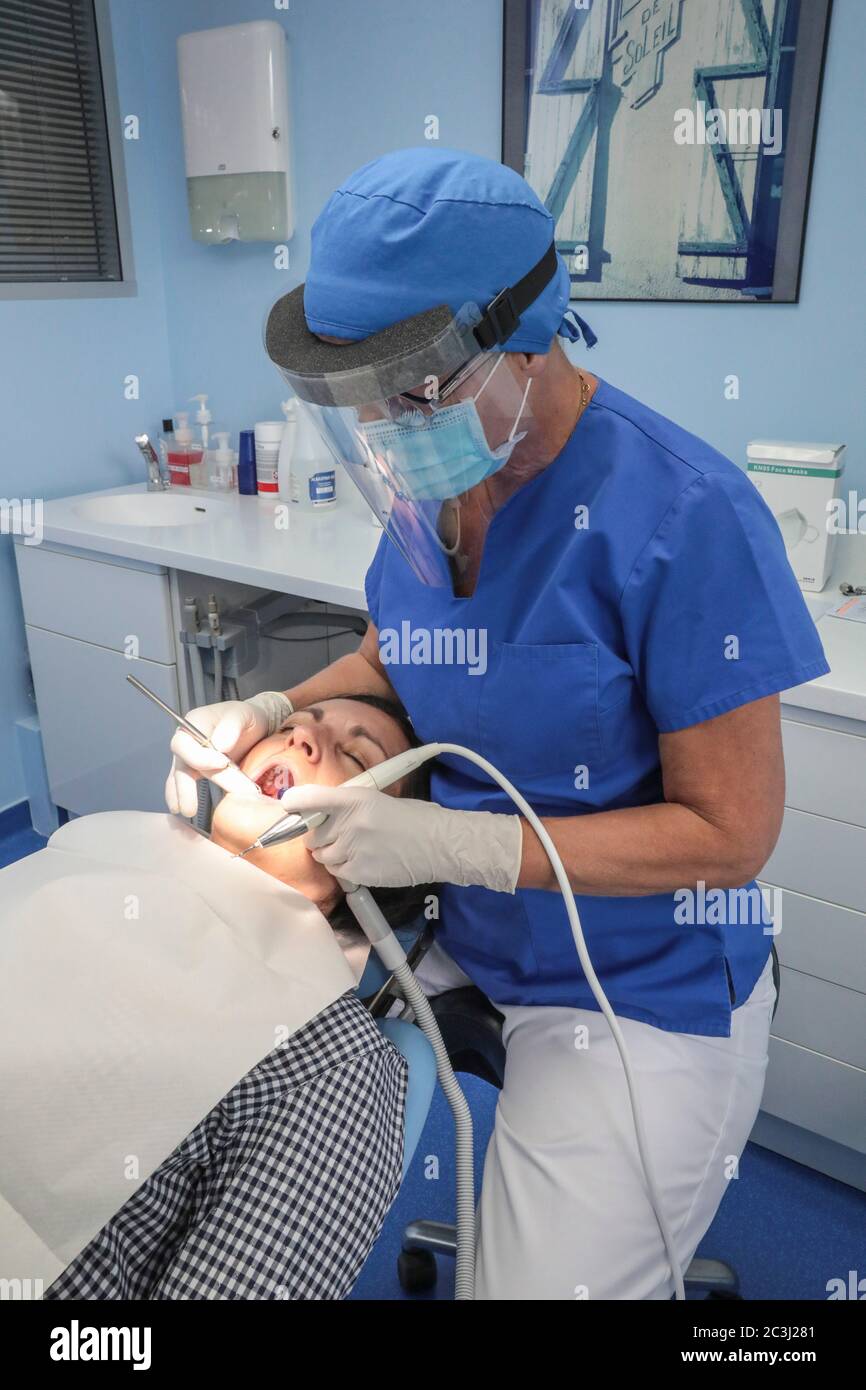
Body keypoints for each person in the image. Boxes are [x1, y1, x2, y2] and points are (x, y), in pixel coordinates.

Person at [167, 148, 830, 1300]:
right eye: (363, 399)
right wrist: (279, 705)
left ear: (528, 338)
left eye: (412, 391)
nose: (387, 425)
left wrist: (465, 845)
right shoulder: (433, 479)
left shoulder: (686, 517)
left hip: (634, 982)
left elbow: (728, 835)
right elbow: (397, 651)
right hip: (460, 930)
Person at [40, 695, 431, 1301]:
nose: (302, 738)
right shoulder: (94, 848)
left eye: (356, 756)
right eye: (294, 724)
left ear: (381, 860)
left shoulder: (332, 1066)